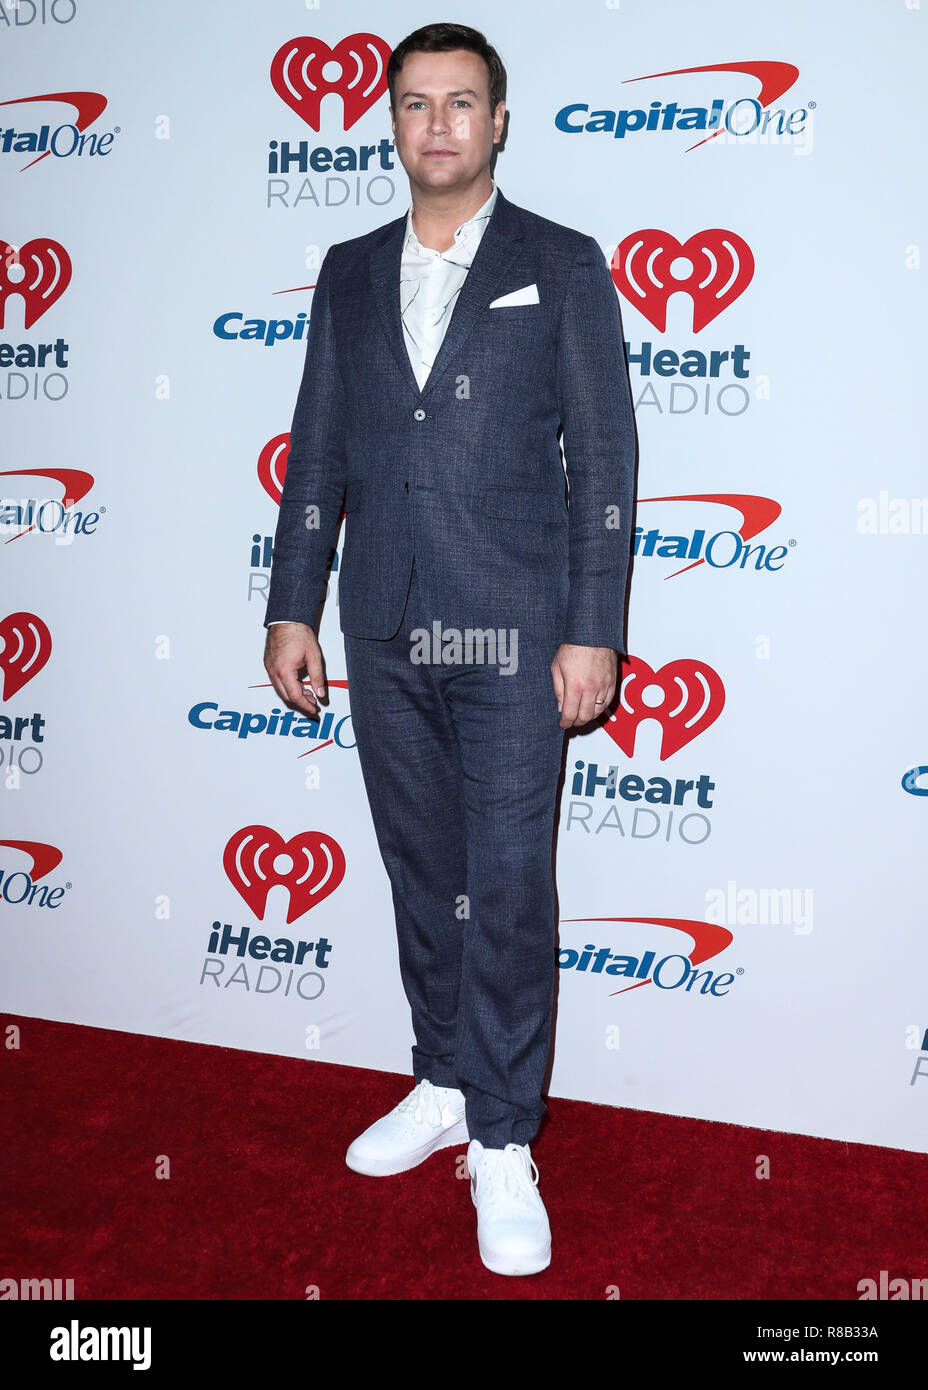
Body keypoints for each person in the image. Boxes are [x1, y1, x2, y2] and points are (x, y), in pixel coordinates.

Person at [263, 21, 636, 1277]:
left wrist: (592, 630)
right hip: (384, 625)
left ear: (499, 121)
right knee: (424, 869)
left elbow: (605, 467)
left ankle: (504, 1134)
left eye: (460, 103)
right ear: (391, 121)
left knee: (509, 887)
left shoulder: (561, 262)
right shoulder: (348, 267)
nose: (437, 124)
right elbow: (315, 449)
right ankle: (439, 1079)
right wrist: (291, 603)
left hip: (517, 638)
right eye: (415, 103)